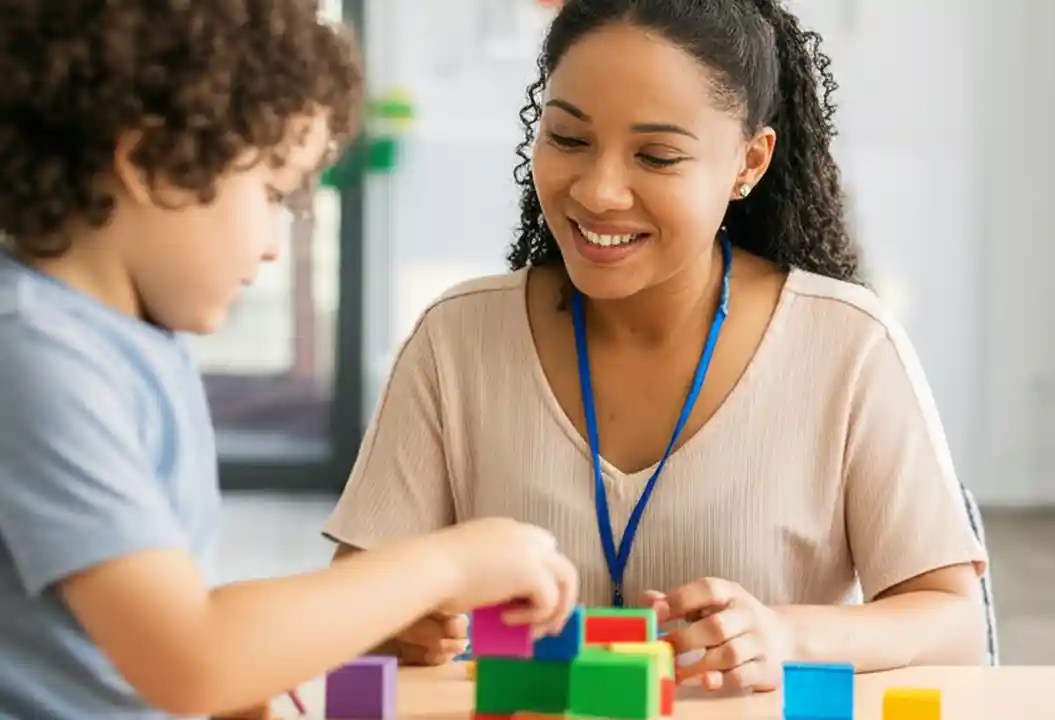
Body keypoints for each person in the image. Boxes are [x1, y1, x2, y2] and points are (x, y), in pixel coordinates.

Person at [324, 0, 990, 693]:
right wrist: (398, 621)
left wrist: (785, 634)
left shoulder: (847, 344)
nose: (599, 190)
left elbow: (955, 626)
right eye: (568, 139)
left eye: (657, 155)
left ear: (749, 163)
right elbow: (349, 603)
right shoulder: (456, 339)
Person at [0, 2, 578, 718]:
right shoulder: (37, 360)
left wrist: (273, 671)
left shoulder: (131, 339)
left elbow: (146, 632)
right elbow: (189, 659)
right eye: (273, 194)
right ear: (151, 164)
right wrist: (446, 564)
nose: (275, 244)